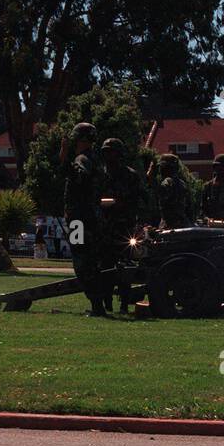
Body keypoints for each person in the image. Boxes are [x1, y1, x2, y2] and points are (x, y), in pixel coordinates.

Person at [62, 121, 108, 317]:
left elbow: (78, 176)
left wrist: (63, 157)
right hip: (93, 217)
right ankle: (99, 303)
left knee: (82, 261)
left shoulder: (82, 159)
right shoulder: (97, 159)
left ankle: (97, 306)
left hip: (79, 219)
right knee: (92, 260)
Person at [98, 137, 144, 314]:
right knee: (105, 267)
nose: (110, 155)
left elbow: (138, 200)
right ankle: (106, 301)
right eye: (107, 152)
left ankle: (124, 303)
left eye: (113, 152)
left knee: (125, 267)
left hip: (124, 228)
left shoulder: (130, 176)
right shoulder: (100, 175)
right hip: (104, 228)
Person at [147, 153, 193, 229]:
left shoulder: (168, 182)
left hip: (170, 224)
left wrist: (150, 176)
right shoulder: (181, 183)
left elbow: (159, 191)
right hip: (183, 222)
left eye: (162, 167)